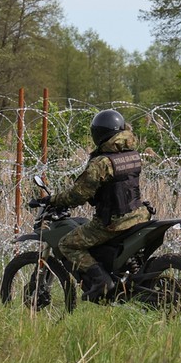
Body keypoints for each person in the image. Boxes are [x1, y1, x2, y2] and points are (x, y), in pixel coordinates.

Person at [38, 109, 151, 301]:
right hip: (138, 215)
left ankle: (102, 282)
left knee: (67, 244)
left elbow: (78, 195)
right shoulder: (132, 154)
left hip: (113, 223)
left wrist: (53, 199)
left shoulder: (102, 162)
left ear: (99, 134)